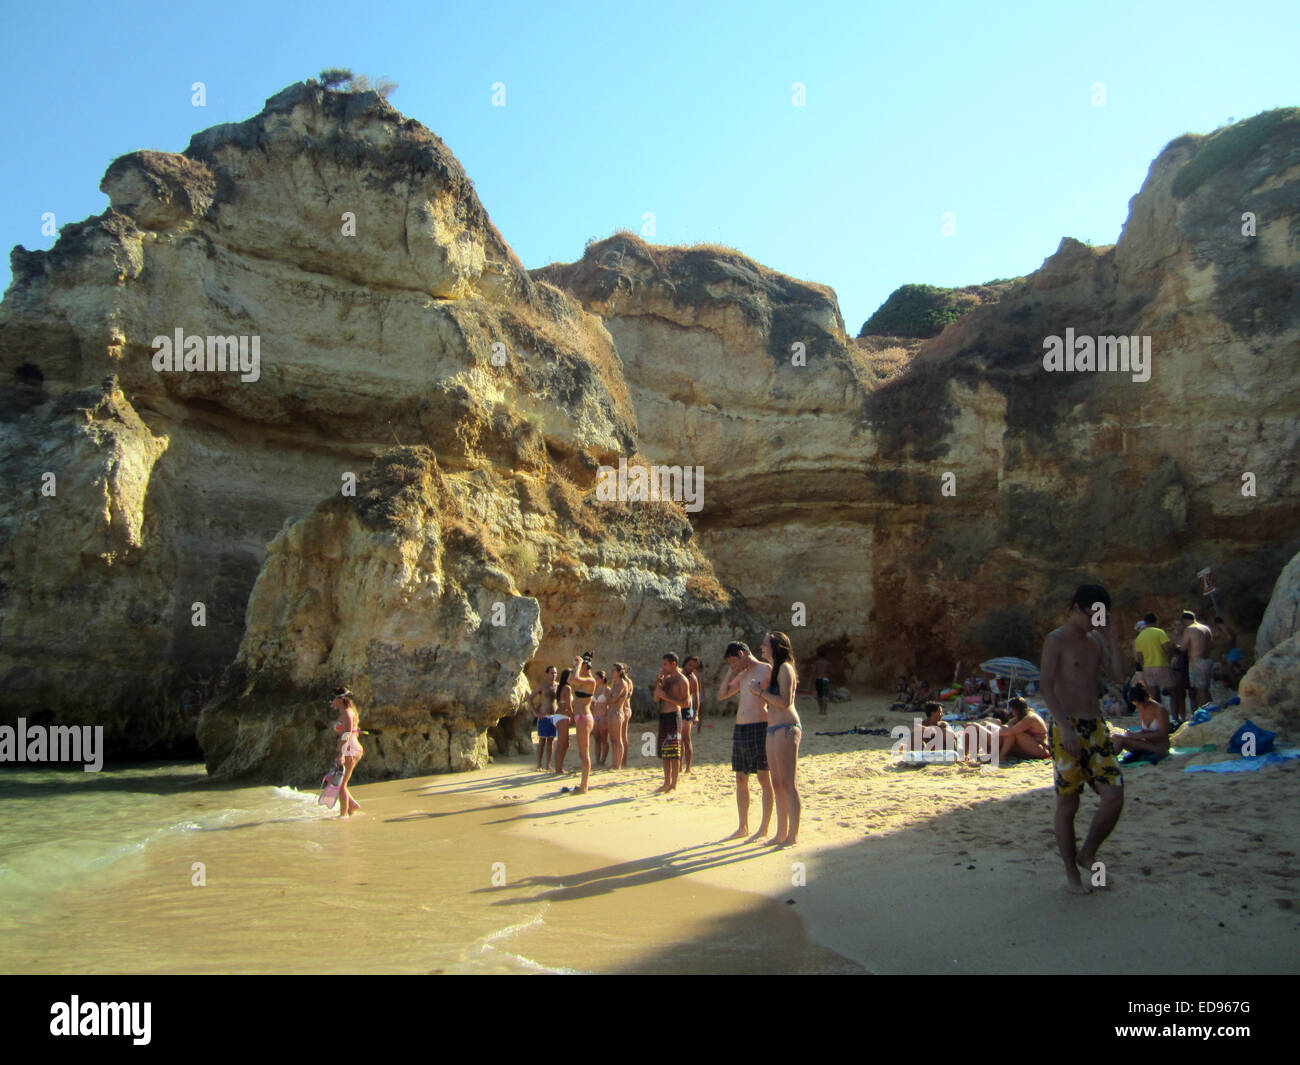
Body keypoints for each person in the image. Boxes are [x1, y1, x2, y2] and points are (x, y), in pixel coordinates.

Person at [1040, 584, 1126, 895]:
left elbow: (1119, 676)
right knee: (1069, 803)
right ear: (1077, 609)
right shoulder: (1057, 640)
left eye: (1101, 617)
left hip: (1097, 726)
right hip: (1067, 727)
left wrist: (1113, 640)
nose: (1095, 622)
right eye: (1092, 615)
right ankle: (1071, 873)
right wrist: (1065, 728)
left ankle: (1088, 853)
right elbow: (1046, 687)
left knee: (1114, 795)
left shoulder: (1095, 642)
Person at [718, 641, 774, 840]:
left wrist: (762, 696)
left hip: (760, 727)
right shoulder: (742, 675)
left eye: (734, 661)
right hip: (741, 728)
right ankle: (743, 826)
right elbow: (722, 694)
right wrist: (731, 672)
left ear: (741, 654)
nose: (733, 665)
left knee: (763, 778)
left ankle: (764, 828)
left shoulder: (766, 669)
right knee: (741, 778)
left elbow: (778, 698)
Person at [756, 632, 803, 847]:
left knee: (788, 783)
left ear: (776, 647)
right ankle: (780, 833)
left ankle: (792, 836)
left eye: (765, 644)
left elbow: (785, 701)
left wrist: (761, 693)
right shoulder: (775, 669)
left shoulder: (785, 669)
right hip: (773, 728)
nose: (762, 647)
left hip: (786, 728)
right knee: (776, 783)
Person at [653, 654, 690, 793]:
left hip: (674, 716)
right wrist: (658, 683)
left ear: (674, 664)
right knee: (664, 752)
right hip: (663, 716)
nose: (663, 667)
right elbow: (656, 698)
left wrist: (667, 697)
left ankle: (674, 784)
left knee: (674, 752)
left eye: (665, 664)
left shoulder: (682, 680)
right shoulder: (666, 680)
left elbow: (686, 703)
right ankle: (666, 782)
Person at [1109, 681, 1170, 760]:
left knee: (1120, 740)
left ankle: (1108, 759)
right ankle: (1109, 757)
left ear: (1146, 699)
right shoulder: (1141, 709)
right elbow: (1145, 732)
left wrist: (1139, 736)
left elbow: (1163, 733)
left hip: (1160, 747)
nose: (1138, 708)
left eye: (1139, 705)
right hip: (1147, 744)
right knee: (1116, 736)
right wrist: (1133, 735)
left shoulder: (1160, 710)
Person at [331, 687, 363, 817]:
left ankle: (343, 815)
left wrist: (342, 755)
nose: (330, 701)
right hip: (348, 749)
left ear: (341, 699)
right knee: (335, 780)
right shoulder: (344, 713)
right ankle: (352, 805)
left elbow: (347, 735)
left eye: (332, 698)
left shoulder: (347, 714)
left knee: (340, 784)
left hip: (350, 750)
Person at [567, 655, 597, 794]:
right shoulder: (582, 681)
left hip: (585, 717)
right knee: (581, 753)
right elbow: (570, 680)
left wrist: (578, 665)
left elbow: (577, 679)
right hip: (580, 717)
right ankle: (582, 784)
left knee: (585, 754)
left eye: (581, 665)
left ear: (585, 666)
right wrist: (575, 666)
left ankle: (584, 786)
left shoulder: (590, 681)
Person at [990, 696, 1050, 761]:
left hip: (1041, 749)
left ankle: (1001, 756)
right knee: (1008, 734)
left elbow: (1011, 731)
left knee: (1016, 734)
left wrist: (992, 732)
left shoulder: (1030, 718)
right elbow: (1007, 725)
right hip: (1032, 746)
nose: (1011, 711)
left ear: (1017, 709)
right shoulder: (1020, 716)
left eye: (1012, 709)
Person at [1133, 612, 1173, 705]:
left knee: (1153, 696)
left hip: (1147, 668)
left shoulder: (1139, 637)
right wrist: (1169, 660)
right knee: (1172, 692)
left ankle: (1155, 717)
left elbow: (1139, 657)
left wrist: (1144, 667)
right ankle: (1176, 717)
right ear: (1156, 621)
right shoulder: (1159, 632)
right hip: (1162, 665)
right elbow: (1168, 648)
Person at [1178, 609, 1214, 712]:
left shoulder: (1190, 629)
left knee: (1200, 689)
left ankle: (1203, 712)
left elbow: (1183, 647)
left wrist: (1176, 646)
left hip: (1196, 661)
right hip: (1208, 661)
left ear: (1184, 620)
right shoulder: (1206, 628)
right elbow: (1212, 645)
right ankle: (1212, 710)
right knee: (1206, 689)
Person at [529, 666, 559, 771]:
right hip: (544, 717)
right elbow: (530, 698)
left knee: (551, 741)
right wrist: (535, 713)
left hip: (554, 717)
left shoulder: (558, 686)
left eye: (555, 673)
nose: (554, 675)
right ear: (547, 674)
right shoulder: (542, 686)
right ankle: (539, 765)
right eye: (552, 673)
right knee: (542, 741)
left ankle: (548, 765)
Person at [607, 663, 632, 769]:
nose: (612, 673)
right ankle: (614, 762)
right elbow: (610, 698)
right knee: (613, 739)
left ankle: (619, 763)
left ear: (619, 672)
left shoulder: (623, 683)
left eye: (614, 671)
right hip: (612, 712)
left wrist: (610, 697)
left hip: (618, 712)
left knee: (619, 739)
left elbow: (613, 698)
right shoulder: (615, 682)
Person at [681, 656, 703, 773]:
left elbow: (696, 697)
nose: (692, 668)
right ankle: (678, 766)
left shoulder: (693, 679)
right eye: (690, 665)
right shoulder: (678, 674)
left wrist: (696, 714)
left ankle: (688, 767)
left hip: (687, 709)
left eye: (694, 667)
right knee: (678, 739)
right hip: (677, 709)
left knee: (686, 738)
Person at [591, 669, 612, 767]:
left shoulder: (607, 689)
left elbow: (610, 704)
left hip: (603, 716)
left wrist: (606, 717)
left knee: (604, 739)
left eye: (597, 678)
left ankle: (603, 761)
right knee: (597, 740)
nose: (596, 680)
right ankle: (597, 760)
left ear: (602, 679)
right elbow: (591, 704)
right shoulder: (594, 689)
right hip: (595, 717)